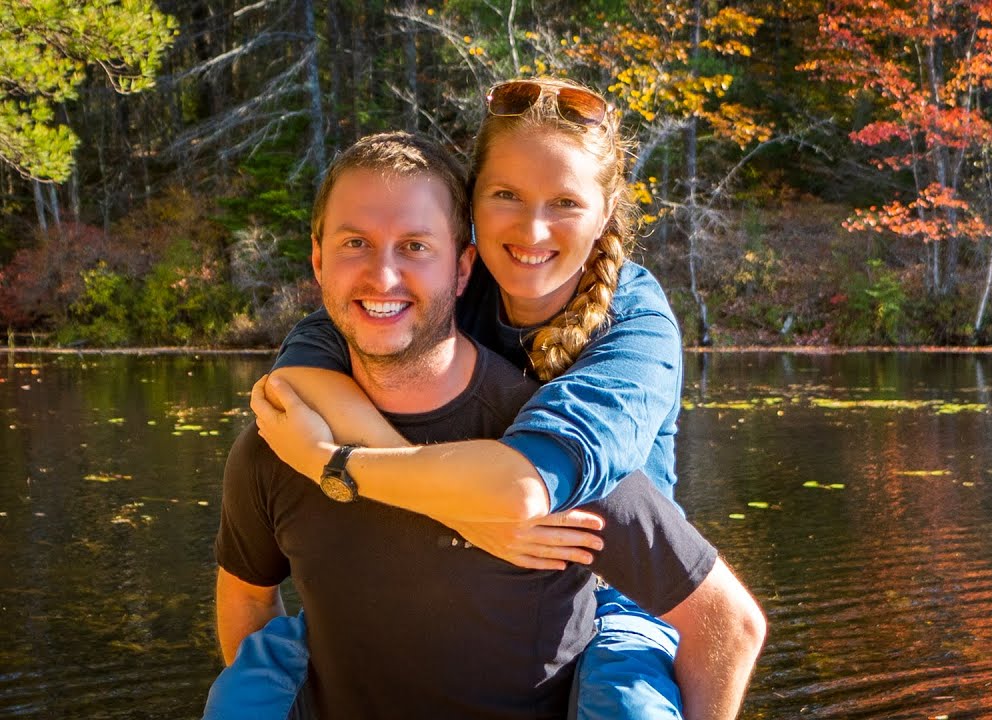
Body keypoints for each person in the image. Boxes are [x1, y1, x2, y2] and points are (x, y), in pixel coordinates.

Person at [208, 131, 765, 719]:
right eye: (355, 243)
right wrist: (451, 508)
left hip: (618, 594)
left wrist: (339, 467)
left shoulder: (582, 410)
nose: (384, 276)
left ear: (459, 265)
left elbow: (726, 621)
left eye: (416, 246)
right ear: (317, 260)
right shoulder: (284, 436)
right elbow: (247, 593)